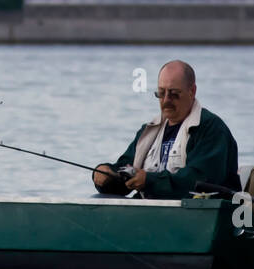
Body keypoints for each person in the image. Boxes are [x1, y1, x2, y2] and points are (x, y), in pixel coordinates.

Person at [93, 59, 239, 199]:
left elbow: (199, 181)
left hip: (195, 215)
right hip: (150, 213)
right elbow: (123, 173)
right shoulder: (148, 131)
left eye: (174, 94)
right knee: (97, 199)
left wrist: (148, 181)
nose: (166, 100)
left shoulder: (211, 129)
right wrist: (105, 174)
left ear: (192, 91)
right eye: (161, 93)